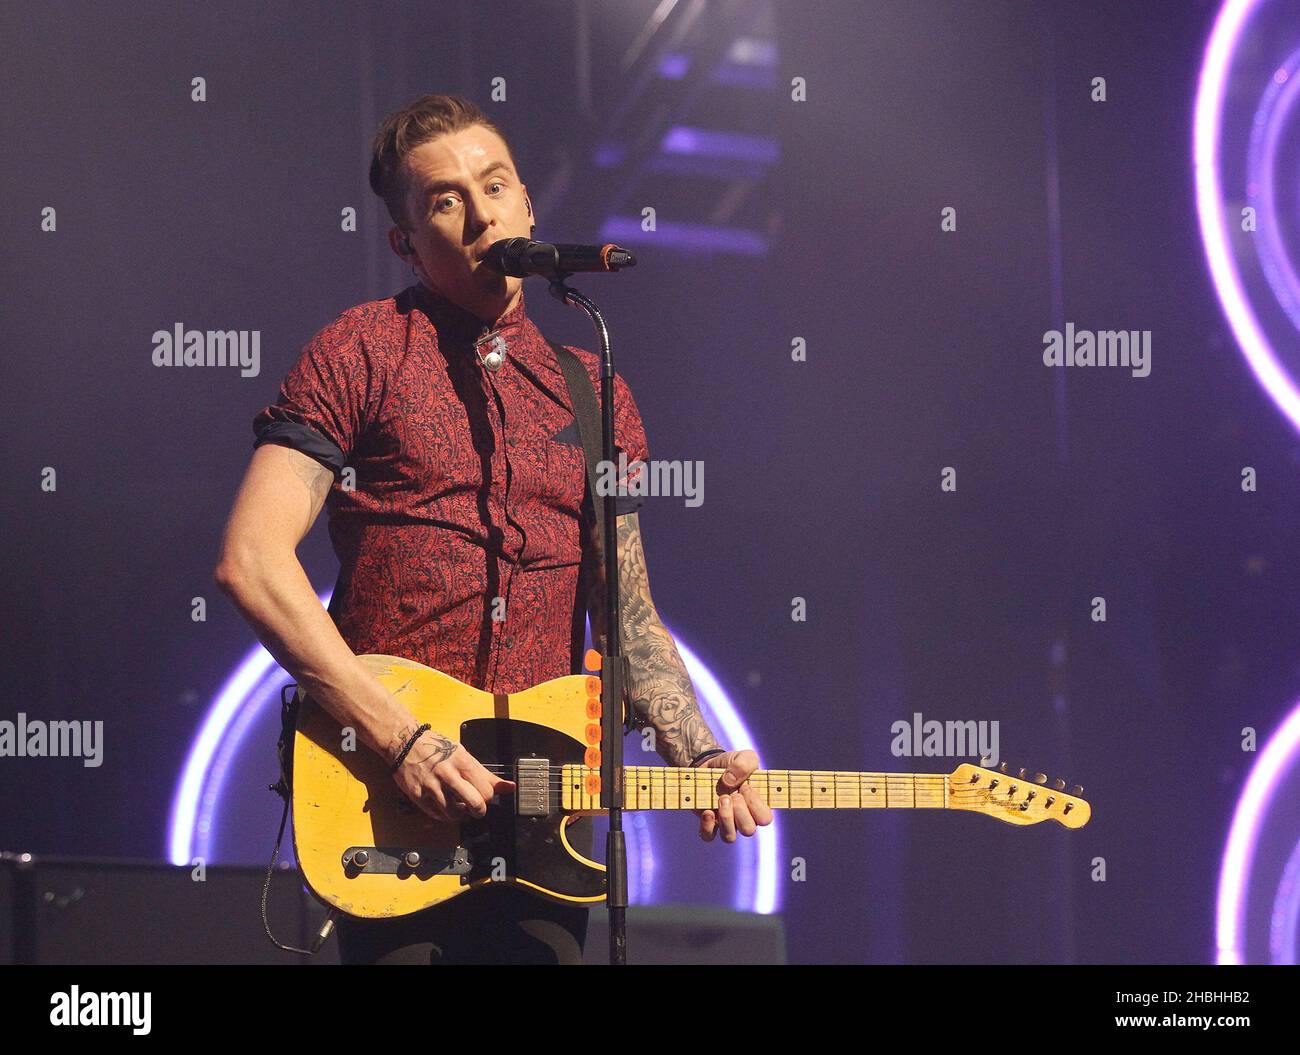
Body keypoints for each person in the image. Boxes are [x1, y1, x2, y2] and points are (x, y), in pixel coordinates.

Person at [214, 94, 772, 964]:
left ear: (528, 207)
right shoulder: (361, 351)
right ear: (405, 240)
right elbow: (251, 561)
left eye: (496, 186)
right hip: (394, 806)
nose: (480, 215)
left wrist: (699, 752)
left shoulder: (594, 387)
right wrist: (400, 737)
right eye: (445, 201)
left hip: (546, 825)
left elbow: (628, 614)